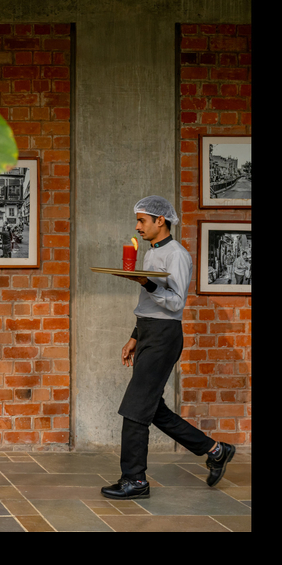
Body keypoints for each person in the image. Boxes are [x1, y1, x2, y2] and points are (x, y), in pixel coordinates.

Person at [101, 195, 236, 499]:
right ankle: (215, 450)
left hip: (165, 336)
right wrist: (135, 335)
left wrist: (145, 283)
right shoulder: (151, 253)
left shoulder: (177, 255)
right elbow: (150, 303)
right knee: (153, 409)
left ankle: (135, 480)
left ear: (160, 221)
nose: (137, 227)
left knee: (135, 409)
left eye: (142, 220)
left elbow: (175, 303)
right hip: (149, 332)